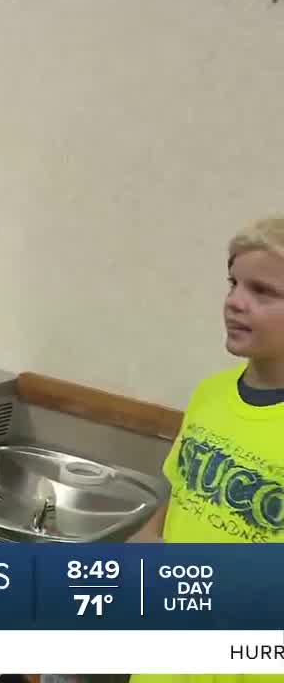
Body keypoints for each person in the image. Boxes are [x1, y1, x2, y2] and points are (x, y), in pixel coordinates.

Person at [127, 218, 284, 682]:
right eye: (234, 283)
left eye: (263, 291)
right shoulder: (210, 395)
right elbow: (180, 488)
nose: (235, 301)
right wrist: (147, 541)